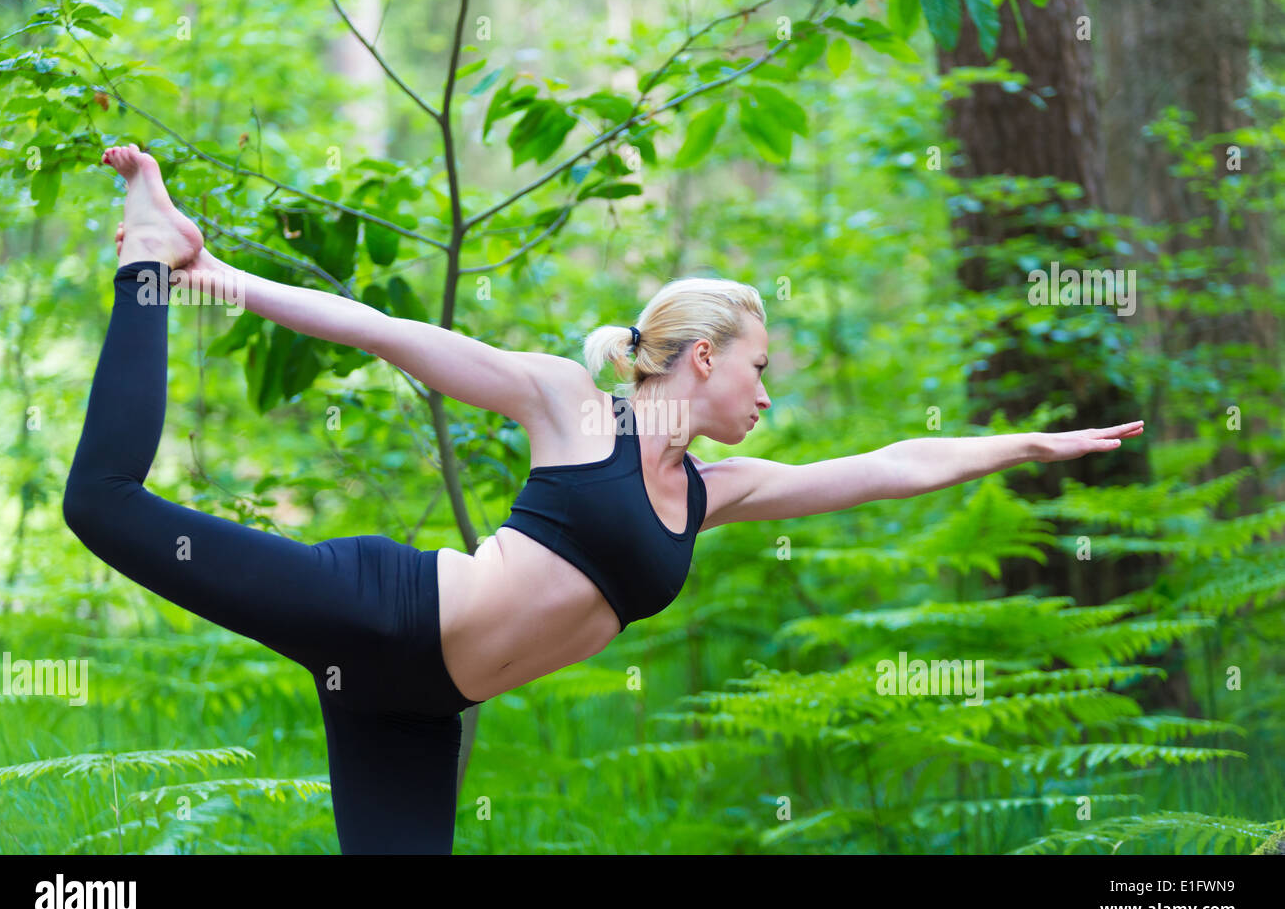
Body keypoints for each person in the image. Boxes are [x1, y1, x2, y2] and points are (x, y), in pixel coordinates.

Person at [64, 144, 1144, 854]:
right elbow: (387, 332)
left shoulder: (716, 494)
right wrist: (211, 279)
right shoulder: (570, 407)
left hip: (410, 705)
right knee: (103, 503)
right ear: (705, 356)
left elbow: (890, 464)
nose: (768, 394)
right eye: (760, 368)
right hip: (377, 608)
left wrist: (1029, 443)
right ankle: (150, 259)